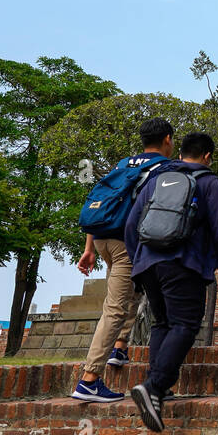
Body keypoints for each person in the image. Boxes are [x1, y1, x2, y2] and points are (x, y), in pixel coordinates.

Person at [124, 132, 218, 433]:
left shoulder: (156, 178)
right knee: (185, 325)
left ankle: (157, 389)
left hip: (148, 263)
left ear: (181, 152)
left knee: (162, 323)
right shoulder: (208, 181)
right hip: (183, 263)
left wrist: (139, 259)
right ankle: (154, 386)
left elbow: (133, 223)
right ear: (207, 156)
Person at [71, 117, 173, 404]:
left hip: (103, 238)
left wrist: (89, 247)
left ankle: (119, 347)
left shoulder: (123, 164)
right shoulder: (163, 169)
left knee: (129, 293)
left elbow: (103, 199)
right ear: (167, 139)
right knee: (115, 308)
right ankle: (89, 379)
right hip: (126, 243)